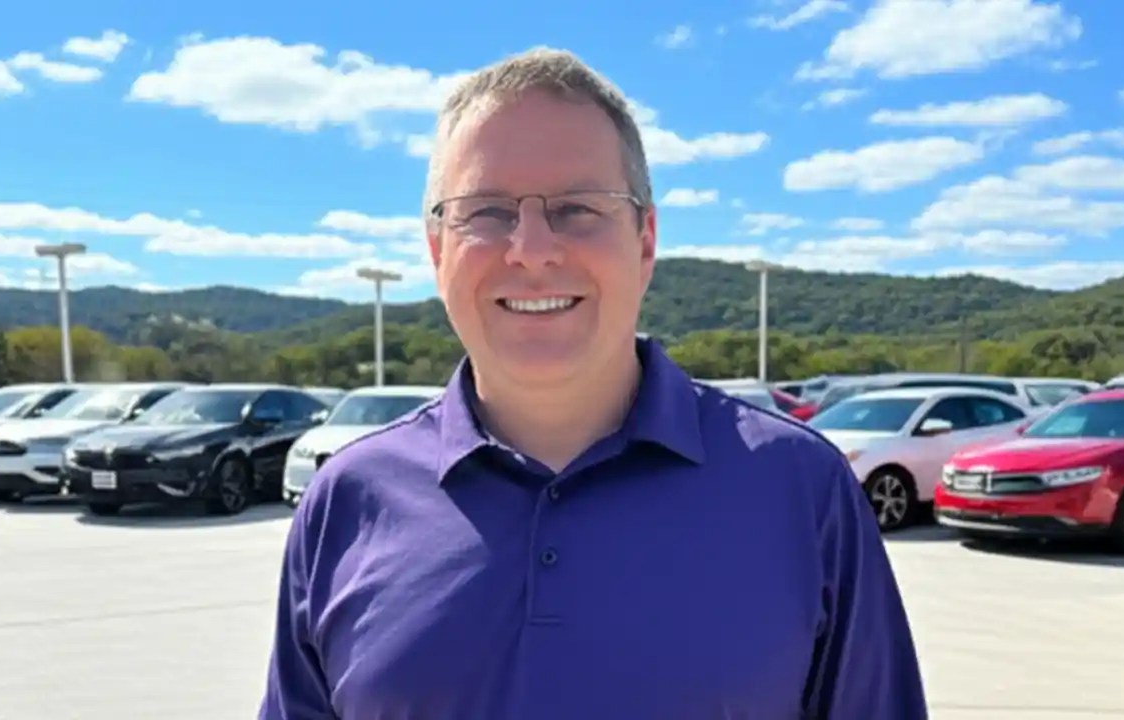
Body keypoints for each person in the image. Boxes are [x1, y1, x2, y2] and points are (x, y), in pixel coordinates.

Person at [258, 47, 927, 720]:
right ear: (437, 251)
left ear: (644, 241)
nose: (533, 248)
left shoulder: (800, 489)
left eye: (577, 208)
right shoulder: (346, 503)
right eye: (487, 212)